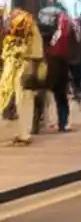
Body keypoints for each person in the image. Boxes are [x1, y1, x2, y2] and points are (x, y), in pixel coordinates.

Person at [0, 9, 43, 145]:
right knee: (24, 101)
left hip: (23, 68)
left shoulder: (26, 31)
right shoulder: (32, 30)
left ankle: (24, 134)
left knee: (23, 100)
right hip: (26, 67)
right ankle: (24, 133)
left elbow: (26, 51)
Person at [35, 1, 75, 132]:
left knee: (38, 93)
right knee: (61, 94)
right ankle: (62, 123)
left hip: (42, 59)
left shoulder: (40, 21)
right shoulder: (64, 22)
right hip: (59, 61)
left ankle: (35, 123)